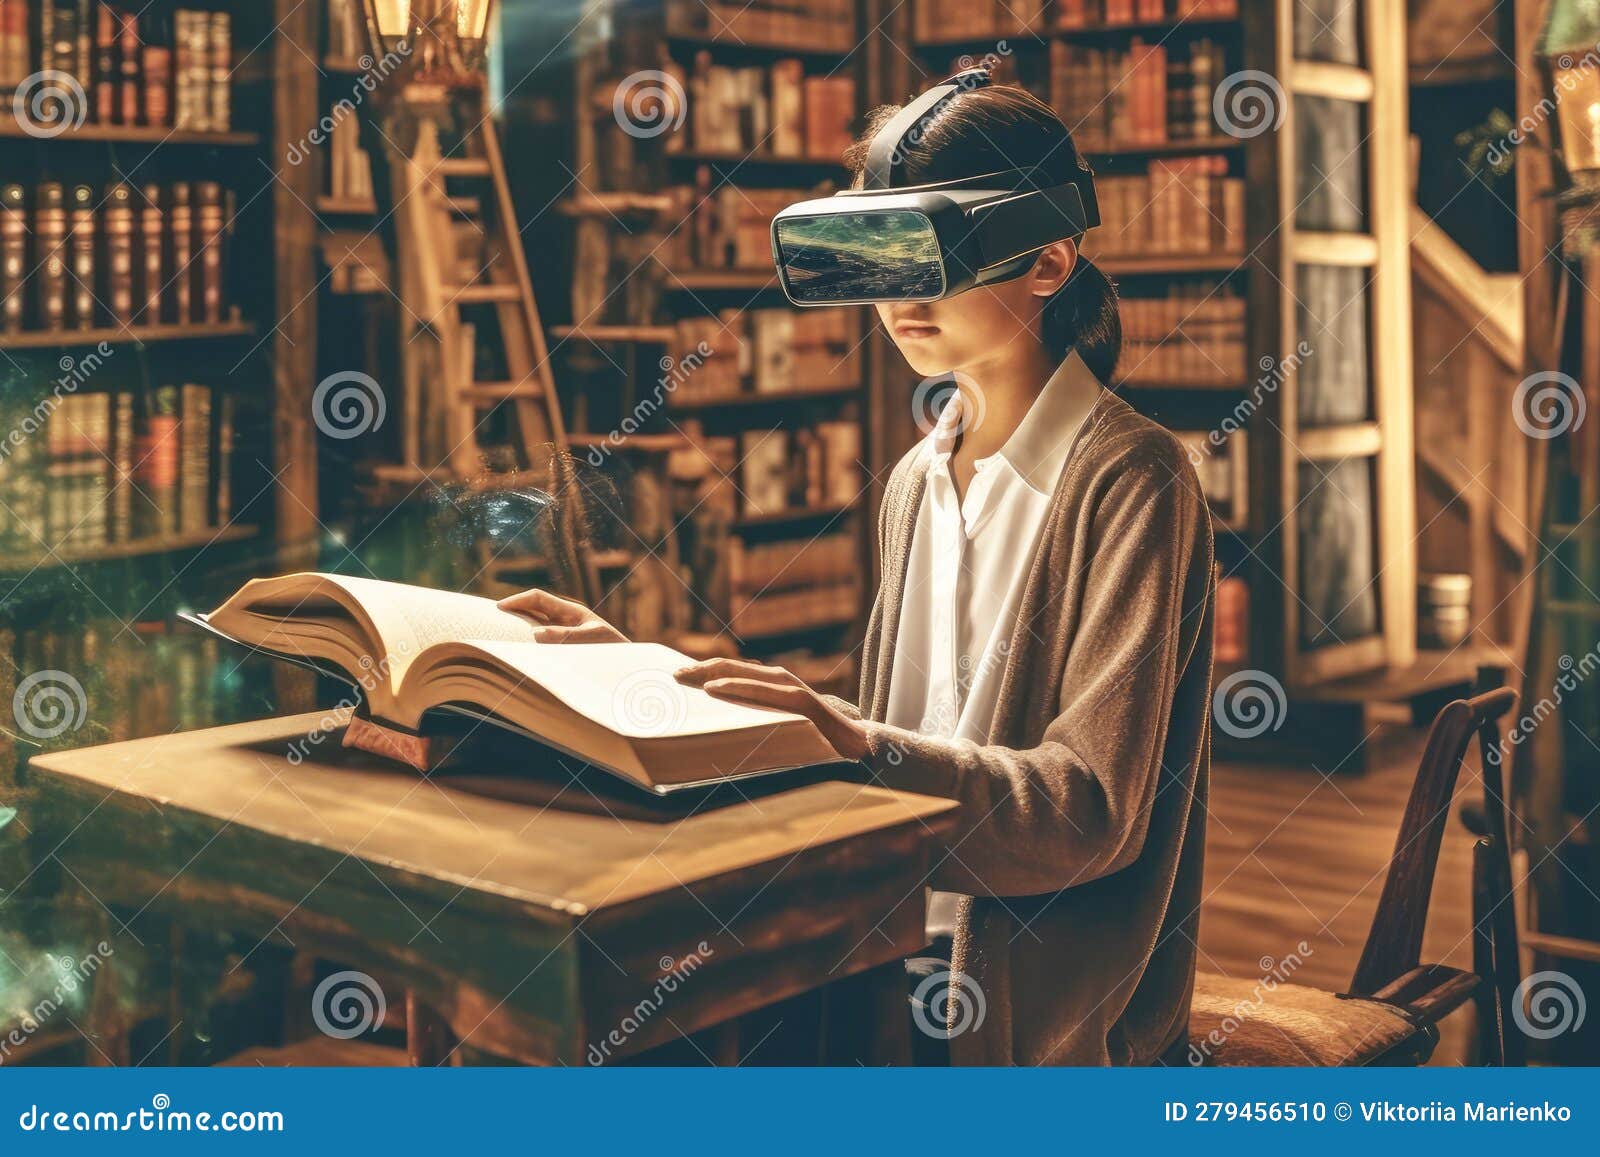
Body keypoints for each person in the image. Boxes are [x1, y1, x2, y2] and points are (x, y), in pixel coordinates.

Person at [501, 80, 1214, 1066]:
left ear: (1050, 258)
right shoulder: (915, 481)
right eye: (877, 256)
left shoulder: (1133, 475)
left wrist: (852, 746)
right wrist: (648, 683)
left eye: (934, 254)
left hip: (1028, 1016)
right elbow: (893, 739)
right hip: (876, 946)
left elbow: (1085, 812)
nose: (901, 296)